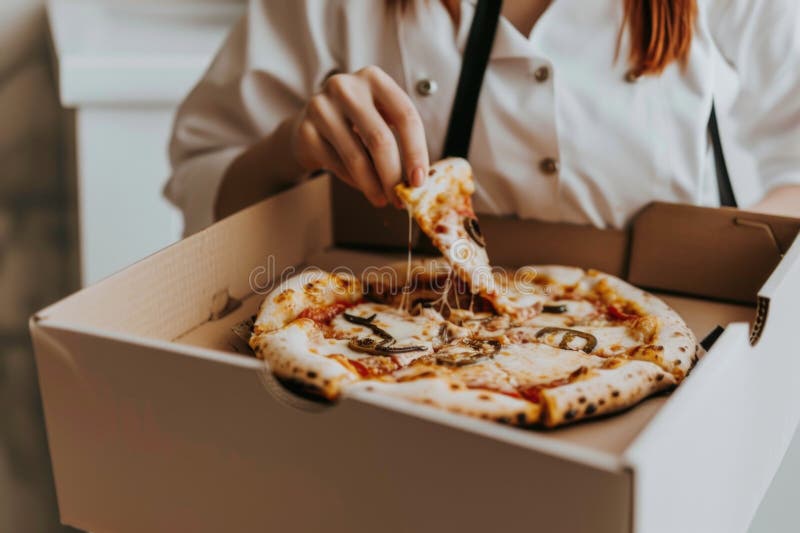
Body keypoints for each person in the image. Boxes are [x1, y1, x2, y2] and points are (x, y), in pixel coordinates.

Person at [166, 0, 800, 236]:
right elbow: (207, 177)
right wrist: (289, 148)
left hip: (671, 407)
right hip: (402, 395)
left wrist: (721, 257)